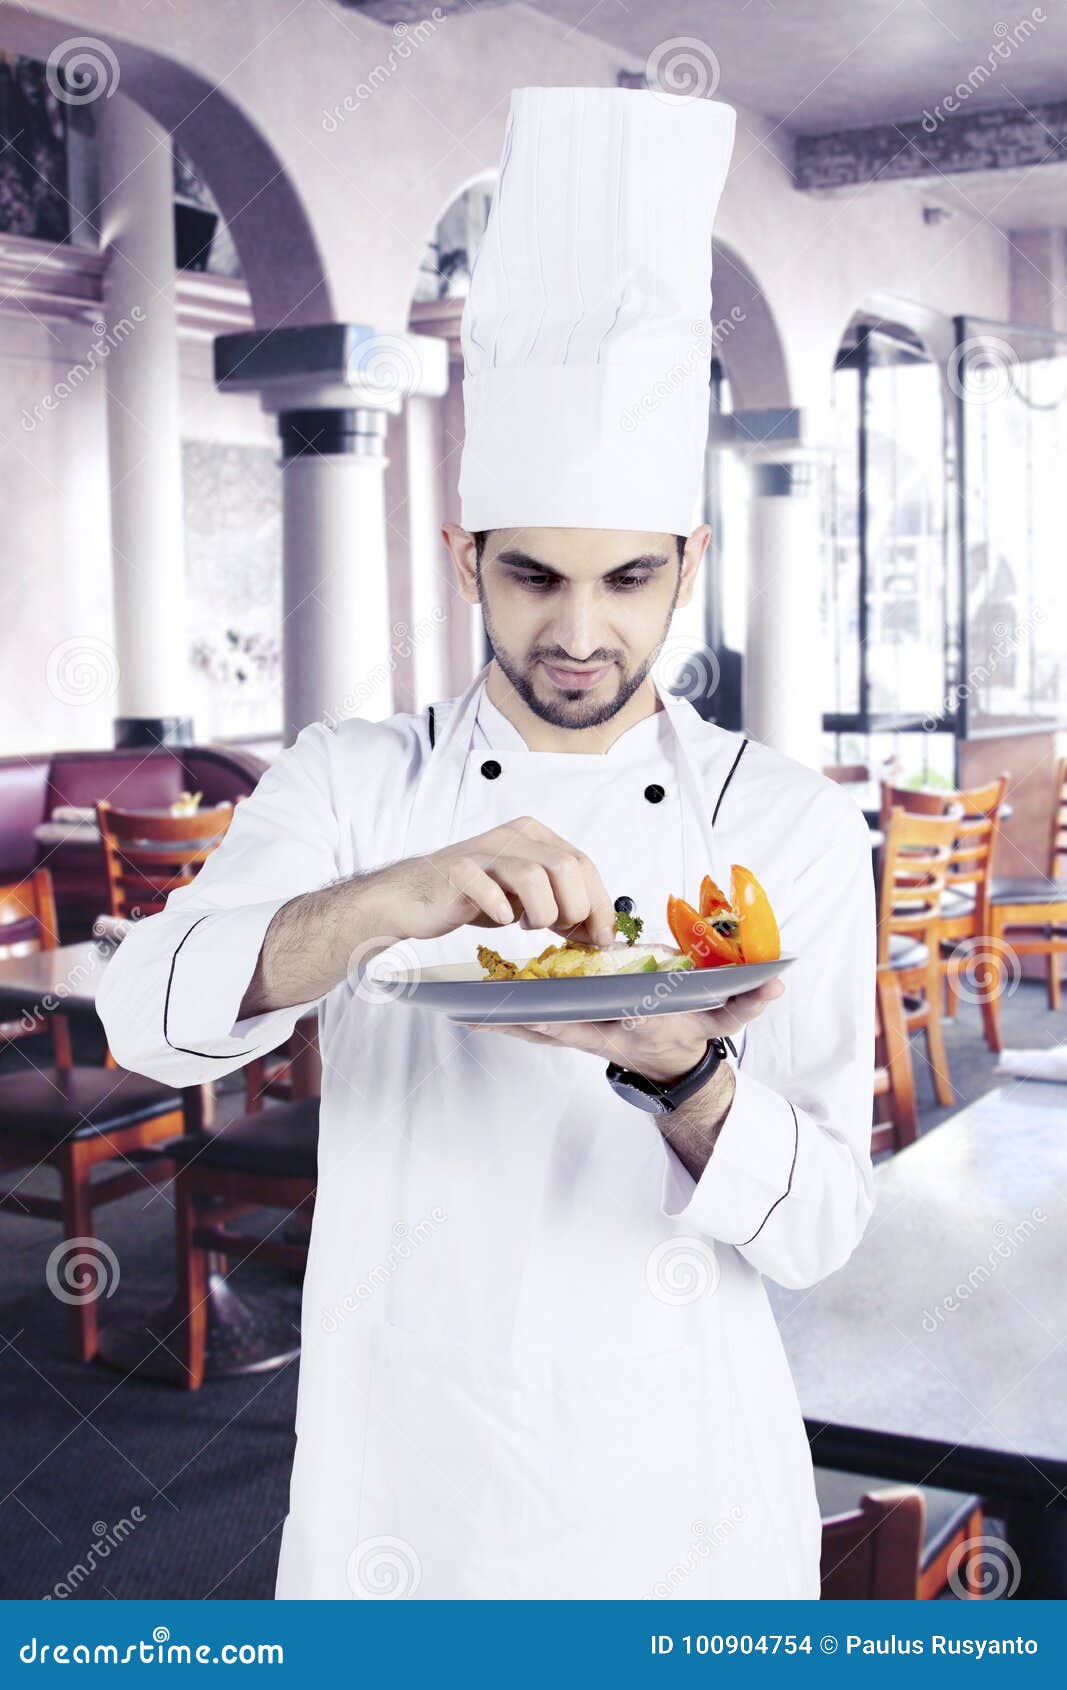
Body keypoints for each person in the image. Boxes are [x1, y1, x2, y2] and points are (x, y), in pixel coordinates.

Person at [97, 86, 876, 1601]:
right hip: (406, 1488)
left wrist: (682, 1067)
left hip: (681, 1504)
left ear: (689, 565)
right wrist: (386, 900)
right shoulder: (352, 780)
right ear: (465, 555)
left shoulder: (781, 822)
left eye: (630, 579)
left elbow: (824, 1224)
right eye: (531, 576)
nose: (580, 632)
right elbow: (146, 1021)